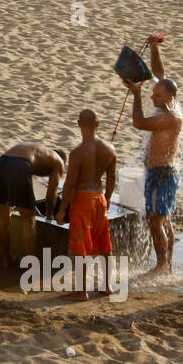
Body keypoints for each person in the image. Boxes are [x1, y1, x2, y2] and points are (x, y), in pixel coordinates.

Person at [122, 35, 183, 275]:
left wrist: (136, 95)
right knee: (160, 219)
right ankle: (166, 265)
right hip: (156, 171)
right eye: (151, 94)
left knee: (157, 220)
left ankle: (162, 266)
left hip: (164, 173)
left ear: (170, 98)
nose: (152, 97)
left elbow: (138, 123)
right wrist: (154, 48)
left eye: (156, 95)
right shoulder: (167, 105)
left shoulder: (170, 117)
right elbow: (159, 75)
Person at [56, 109, 118, 300]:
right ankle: (106, 285)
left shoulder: (77, 153)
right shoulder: (110, 149)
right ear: (98, 124)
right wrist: (106, 199)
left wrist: (61, 210)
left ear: (78, 124)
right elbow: (111, 180)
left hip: (82, 200)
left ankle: (81, 291)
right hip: (99, 197)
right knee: (104, 243)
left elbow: (70, 184)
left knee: (81, 245)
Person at [0, 141, 65, 270]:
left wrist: (30, 205)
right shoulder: (59, 162)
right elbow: (51, 195)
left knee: (3, 218)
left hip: (1, 163)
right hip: (19, 166)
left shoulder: (39, 151)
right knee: (29, 221)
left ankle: (5, 260)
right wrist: (49, 214)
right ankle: (31, 266)